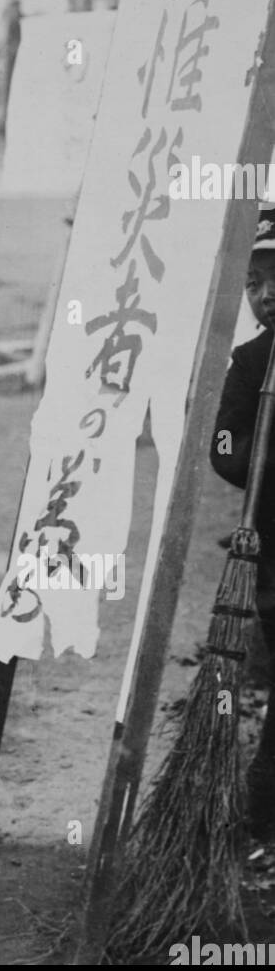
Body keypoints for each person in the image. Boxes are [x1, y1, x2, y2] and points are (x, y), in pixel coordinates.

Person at [210, 205, 275, 841]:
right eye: (254, 284)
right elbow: (224, 446)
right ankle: (260, 804)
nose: (267, 294)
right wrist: (258, 466)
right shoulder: (252, 361)